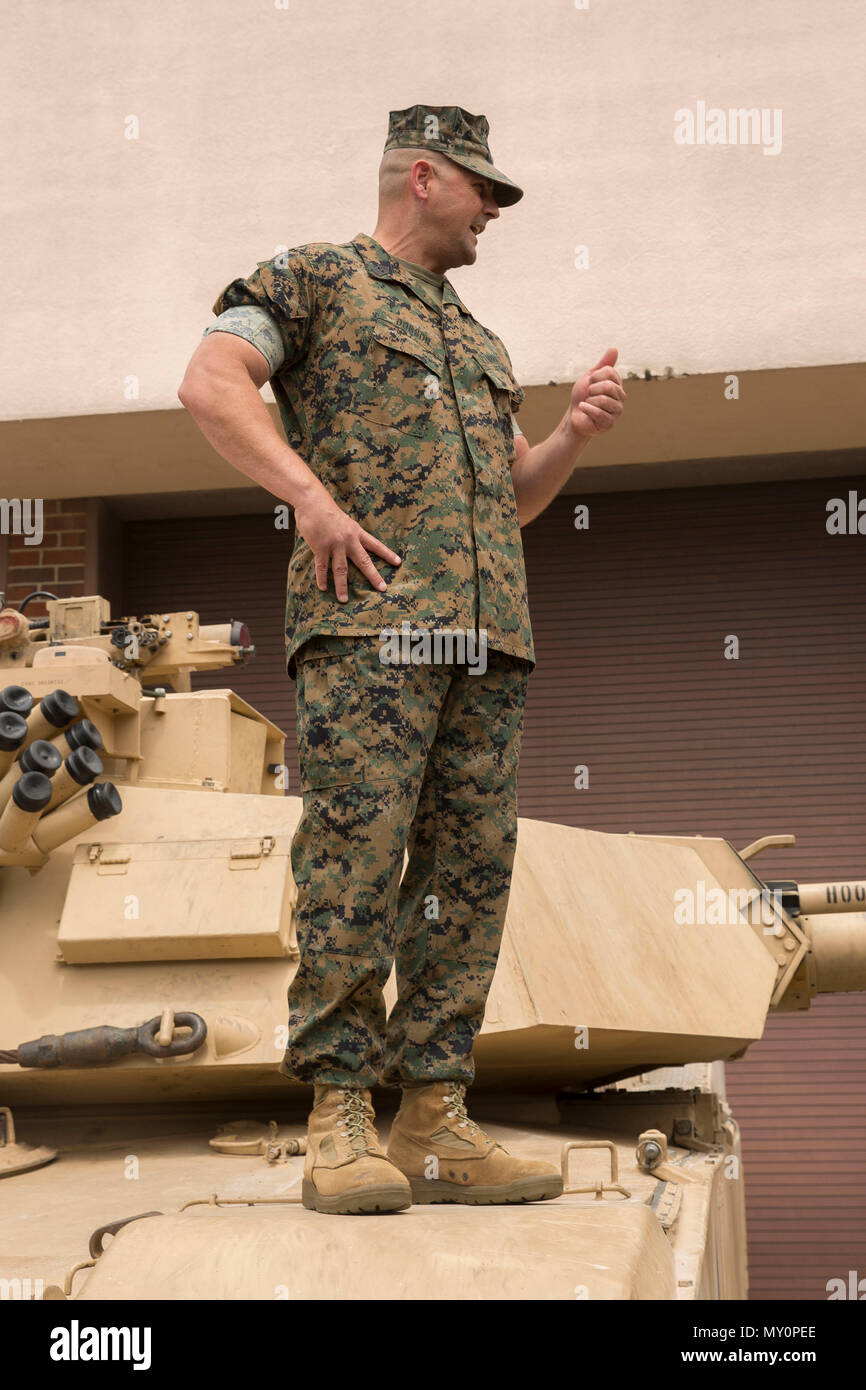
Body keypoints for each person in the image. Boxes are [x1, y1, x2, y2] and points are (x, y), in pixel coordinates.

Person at [178, 104, 625, 1215]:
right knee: (356, 860)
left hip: (482, 643)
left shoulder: (478, 342)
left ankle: (433, 1114)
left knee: (466, 877)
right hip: (371, 631)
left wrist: (568, 435)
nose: (492, 214)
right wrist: (310, 499)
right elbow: (210, 383)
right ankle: (338, 1111)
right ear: (422, 178)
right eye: (482, 190)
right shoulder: (314, 278)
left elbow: (514, 500)